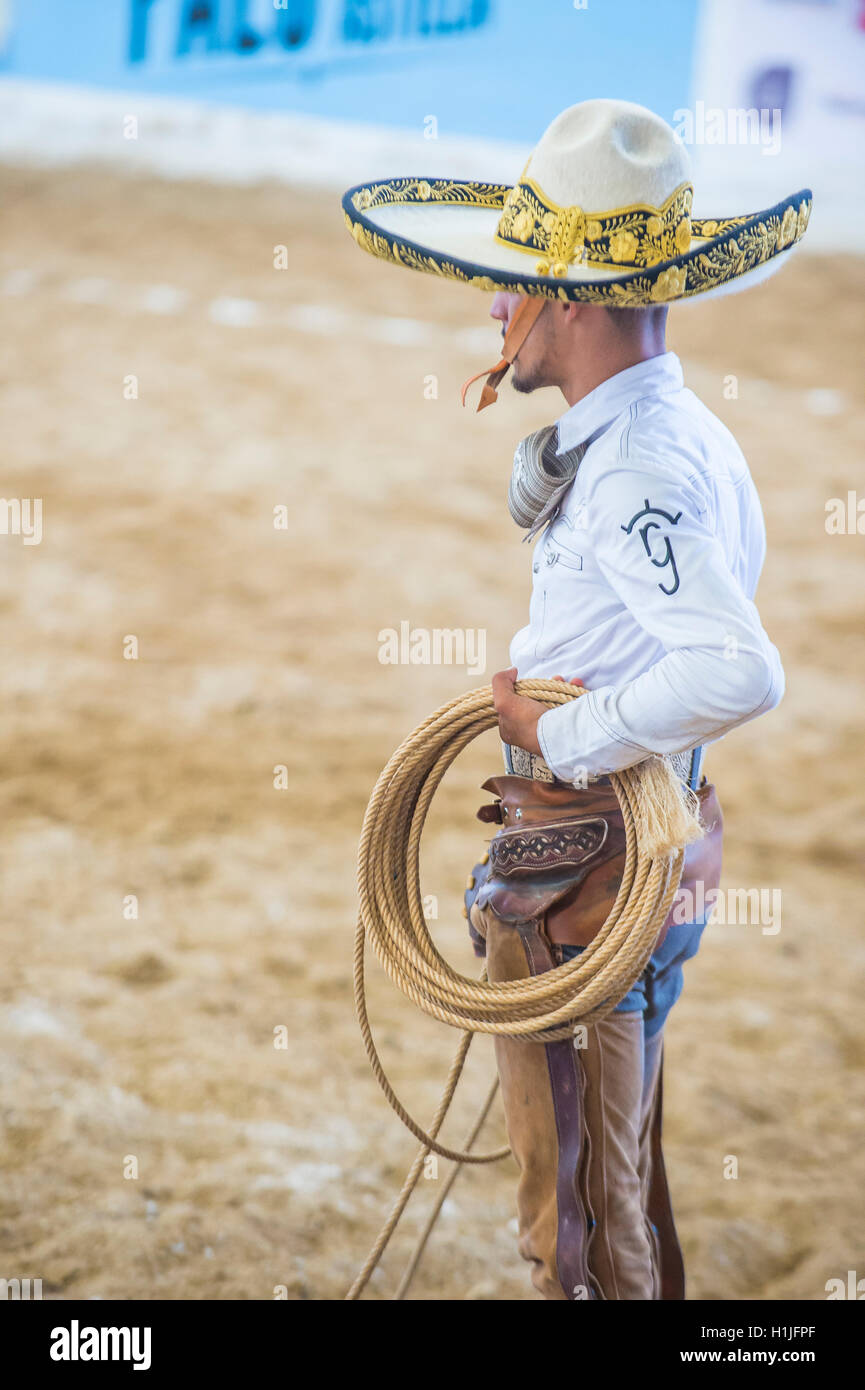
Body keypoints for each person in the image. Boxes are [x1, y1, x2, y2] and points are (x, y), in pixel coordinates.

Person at [343, 98, 811, 1300]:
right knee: (612, 1189)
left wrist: (561, 733)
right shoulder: (669, 433)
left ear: (575, 299)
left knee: (577, 1241)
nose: (495, 308)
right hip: (621, 861)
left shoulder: (641, 464)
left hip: (588, 881)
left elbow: (737, 668)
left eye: (515, 283)